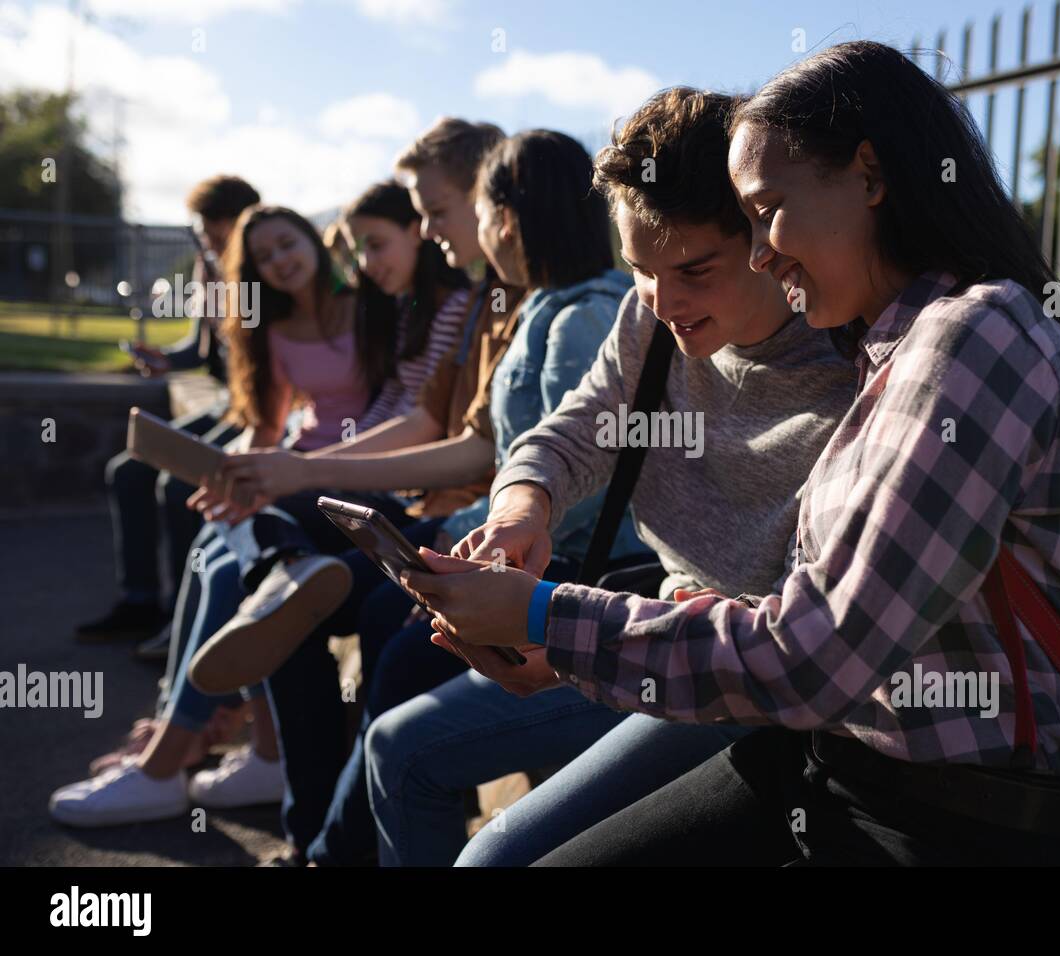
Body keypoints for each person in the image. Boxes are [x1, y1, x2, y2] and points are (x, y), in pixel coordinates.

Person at [403, 42, 1060, 867]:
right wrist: (523, 511)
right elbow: (584, 427)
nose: (760, 254)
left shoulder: (959, 340)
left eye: (766, 214)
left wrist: (547, 621)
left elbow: (811, 654)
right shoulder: (890, 338)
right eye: (642, 271)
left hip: (943, 800)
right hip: (824, 740)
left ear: (869, 175)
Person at [363, 89, 859, 867]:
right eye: (641, 268)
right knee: (399, 745)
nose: (665, 300)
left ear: (764, 237)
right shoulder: (648, 316)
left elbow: (793, 644)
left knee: (492, 854)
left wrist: (559, 637)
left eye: (695, 267)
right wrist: (523, 506)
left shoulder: (847, 365)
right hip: (646, 628)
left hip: (746, 686)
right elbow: (568, 432)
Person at [194, 128, 641, 866]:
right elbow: (510, 451)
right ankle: (291, 581)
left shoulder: (582, 313)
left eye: (443, 212)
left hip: (564, 563)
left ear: (505, 215)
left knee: (396, 647)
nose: (433, 229)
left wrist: (476, 537)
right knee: (334, 578)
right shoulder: (533, 308)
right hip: (496, 533)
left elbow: (575, 474)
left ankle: (333, 849)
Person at [49, 201, 425, 825]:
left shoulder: (374, 305)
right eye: (263, 258)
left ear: (312, 239)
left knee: (228, 568)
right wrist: (235, 474)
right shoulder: (271, 330)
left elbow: (410, 415)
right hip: (292, 469)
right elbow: (265, 427)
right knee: (212, 538)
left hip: (352, 476)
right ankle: (253, 747)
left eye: (286, 244)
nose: (280, 261)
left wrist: (281, 474)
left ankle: (169, 763)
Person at [77, 175, 259, 654]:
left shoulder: (262, 268)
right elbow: (203, 350)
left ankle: (187, 622)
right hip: (224, 400)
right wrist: (163, 359)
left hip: (253, 409)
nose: (208, 240)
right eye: (203, 231)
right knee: (128, 470)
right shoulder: (209, 267)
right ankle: (140, 602)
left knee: (179, 483)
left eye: (216, 230)